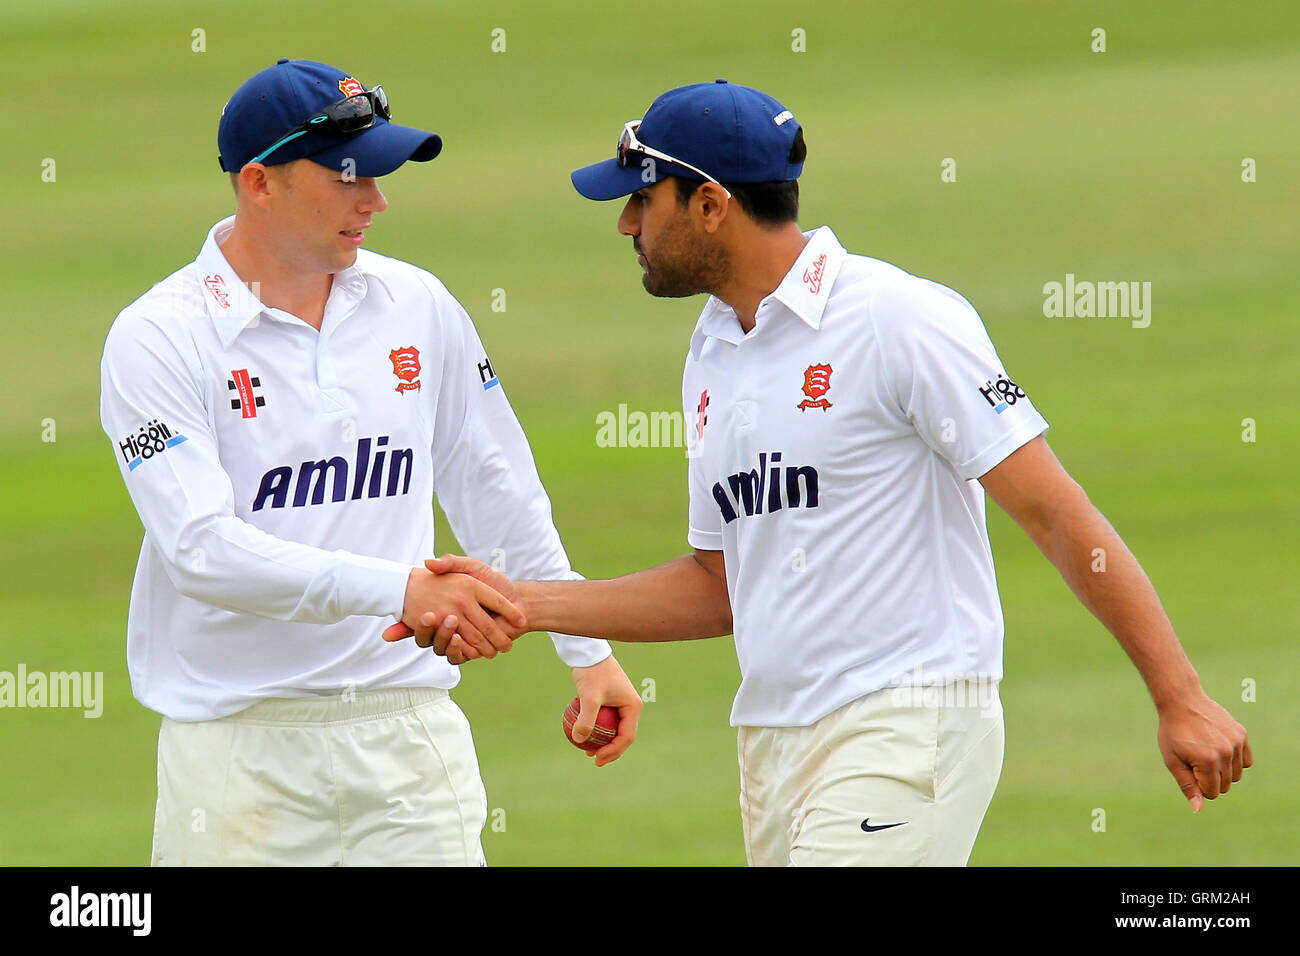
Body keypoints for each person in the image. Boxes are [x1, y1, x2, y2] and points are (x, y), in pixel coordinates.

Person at [387, 80, 1252, 867]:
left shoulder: (898, 319)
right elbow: (721, 585)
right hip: (774, 739)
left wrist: (1179, 695)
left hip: (906, 721)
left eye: (642, 202)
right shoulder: (714, 350)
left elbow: (1058, 515)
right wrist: (526, 604)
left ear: (712, 203)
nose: (626, 226)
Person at [99, 58, 640, 867]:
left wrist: (586, 649)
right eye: (350, 178)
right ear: (259, 182)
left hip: (407, 741)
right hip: (237, 758)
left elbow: (495, 486)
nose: (376, 201)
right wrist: (402, 590)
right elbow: (201, 551)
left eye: (381, 177)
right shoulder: (157, 337)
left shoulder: (418, 305)